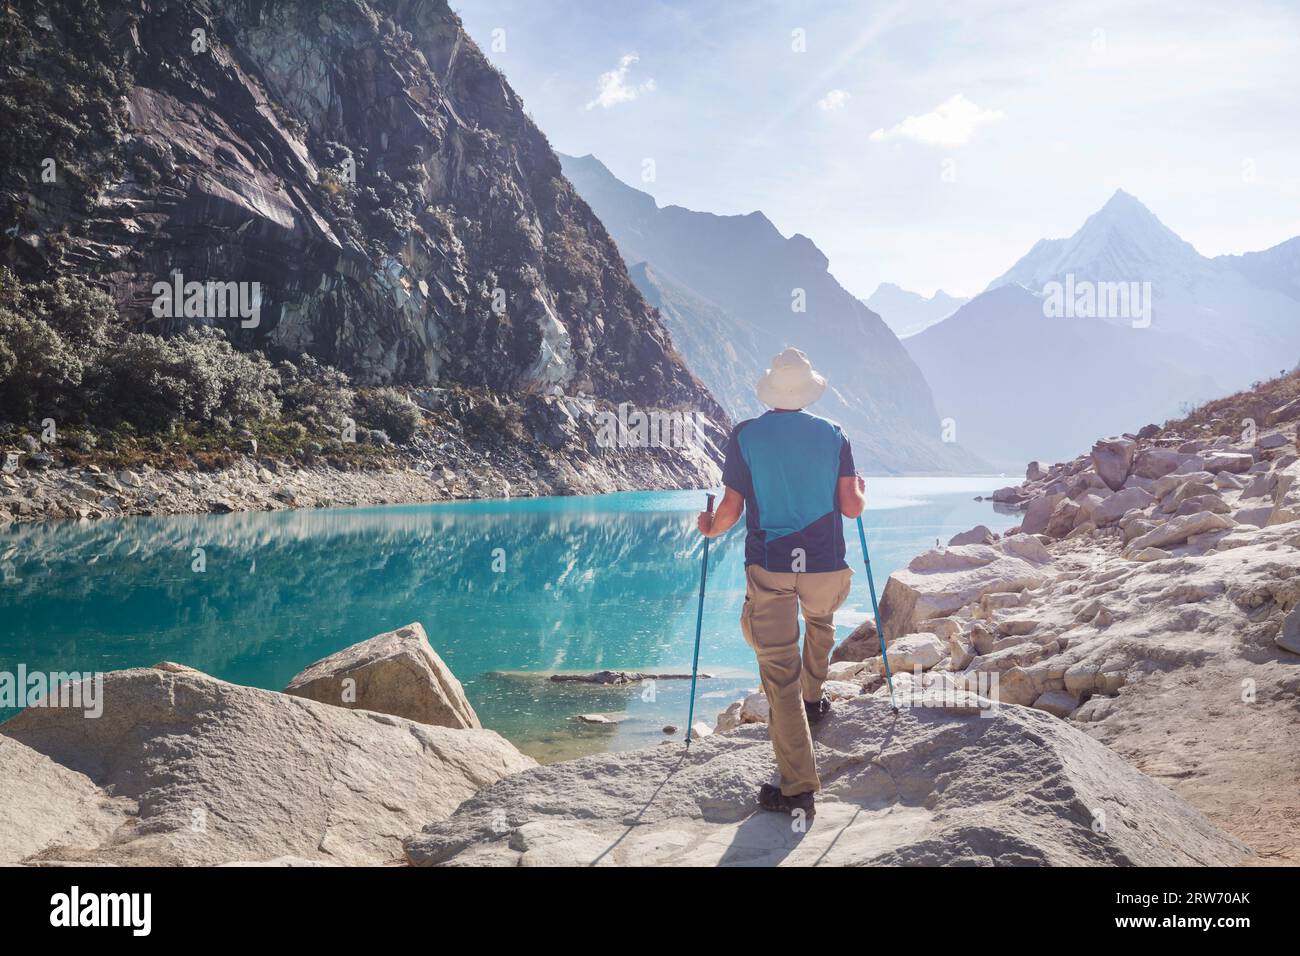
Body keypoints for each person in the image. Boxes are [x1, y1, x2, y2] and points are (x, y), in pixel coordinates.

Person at [697, 347, 865, 821]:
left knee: (777, 671)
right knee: (820, 620)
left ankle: (797, 787)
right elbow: (851, 507)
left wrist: (708, 527)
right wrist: (863, 494)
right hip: (826, 565)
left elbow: (729, 511)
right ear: (807, 390)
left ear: (771, 389)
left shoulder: (747, 435)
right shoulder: (834, 434)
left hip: (771, 565)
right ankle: (815, 699)